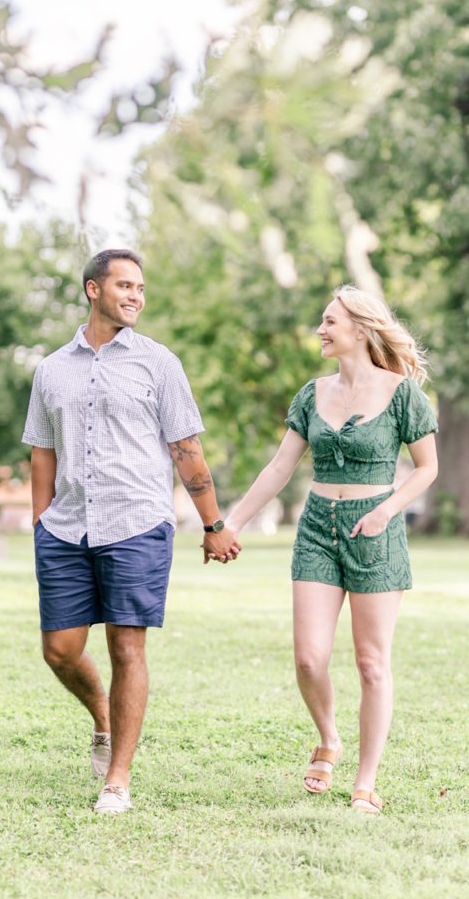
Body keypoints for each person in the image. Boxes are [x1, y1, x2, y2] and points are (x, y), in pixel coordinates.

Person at [22, 249, 240, 817]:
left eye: (141, 288)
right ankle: (102, 717)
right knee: (60, 649)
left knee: (126, 645)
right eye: (125, 286)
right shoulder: (51, 369)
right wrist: (41, 520)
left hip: (138, 523)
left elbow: (186, 450)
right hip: (67, 528)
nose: (136, 296)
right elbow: (41, 452)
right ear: (93, 290)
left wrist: (212, 524)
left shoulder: (158, 363)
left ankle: (117, 779)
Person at [223, 286, 438, 814]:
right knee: (309, 657)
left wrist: (387, 510)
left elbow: (429, 468)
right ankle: (328, 737)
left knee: (371, 663)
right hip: (318, 527)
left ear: (360, 330)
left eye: (329, 321)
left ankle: (365, 782)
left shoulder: (403, 394)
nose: (321, 330)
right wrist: (231, 523)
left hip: (375, 531)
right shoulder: (311, 394)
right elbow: (279, 468)